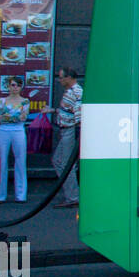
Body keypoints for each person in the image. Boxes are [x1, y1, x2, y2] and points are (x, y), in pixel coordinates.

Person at [0, 76, 30, 203]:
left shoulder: (25, 101)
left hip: (18, 130)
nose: (15, 88)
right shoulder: (2, 101)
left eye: (18, 85)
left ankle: (21, 195)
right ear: (8, 86)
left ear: (21, 87)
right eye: (12, 85)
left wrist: (7, 116)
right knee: (1, 161)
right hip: (3, 131)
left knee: (20, 161)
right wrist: (14, 116)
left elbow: (23, 118)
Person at [50, 66, 82, 207]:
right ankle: (72, 194)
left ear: (69, 78)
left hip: (70, 131)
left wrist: (78, 132)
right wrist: (54, 111)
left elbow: (79, 114)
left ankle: (73, 196)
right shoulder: (70, 92)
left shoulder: (76, 92)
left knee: (65, 164)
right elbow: (68, 111)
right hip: (66, 130)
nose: (59, 80)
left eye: (61, 77)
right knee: (58, 161)